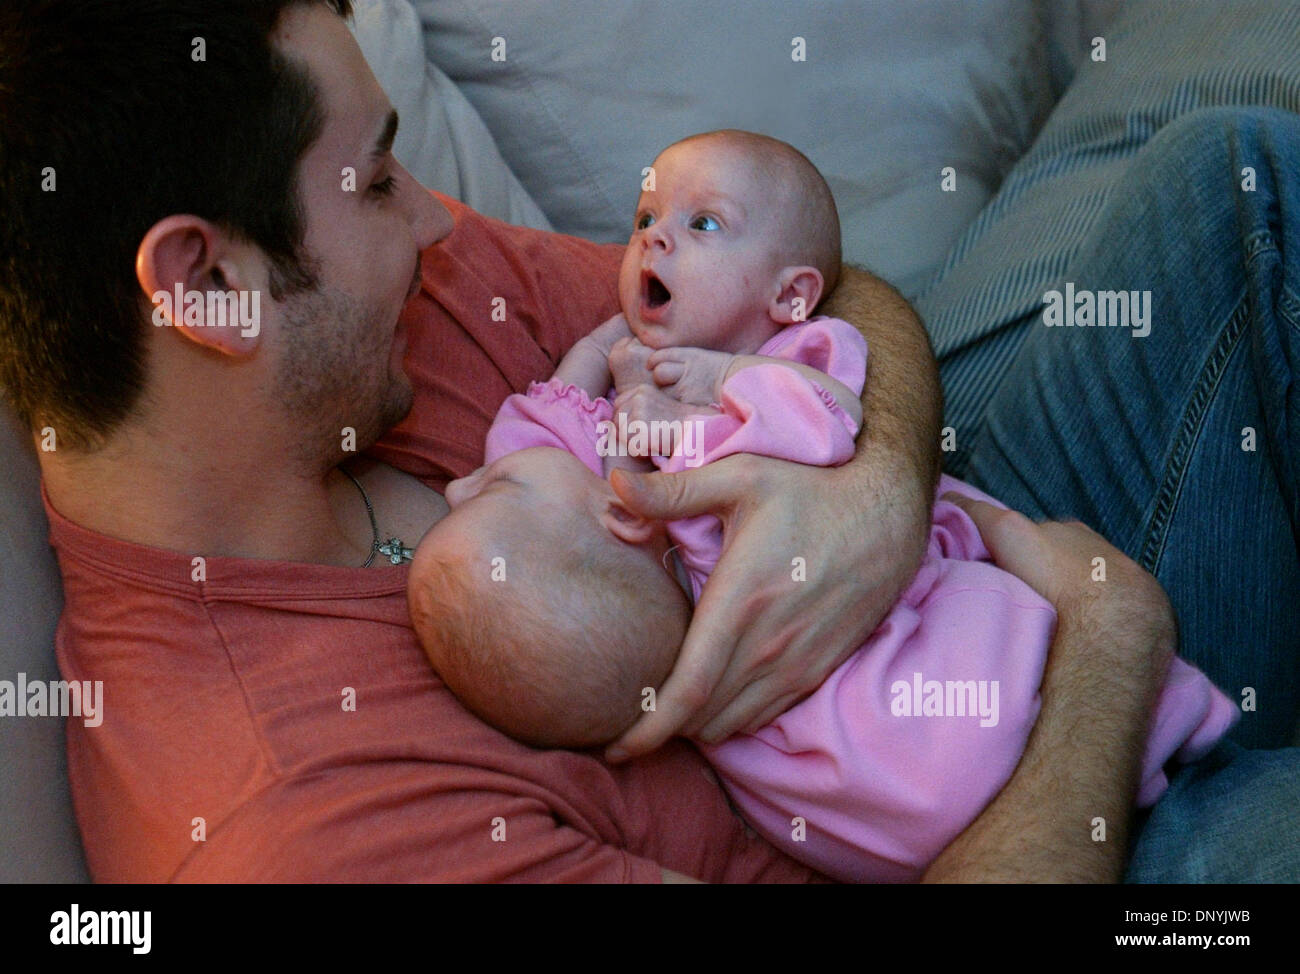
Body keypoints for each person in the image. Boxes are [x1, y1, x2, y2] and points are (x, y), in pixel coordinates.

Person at [0, 0, 1290, 882]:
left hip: (957, 557)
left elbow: (825, 293)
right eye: (382, 182)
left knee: (1234, 185)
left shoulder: (371, 318)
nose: (439, 226)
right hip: (1002, 820)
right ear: (201, 286)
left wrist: (880, 488)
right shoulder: (314, 821)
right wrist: (1112, 648)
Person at [407, 130, 1238, 882]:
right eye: (652, 220)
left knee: (1221, 169)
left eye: (681, 222)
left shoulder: (610, 538)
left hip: (982, 758)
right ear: (621, 520)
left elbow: (547, 430)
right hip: (1054, 739)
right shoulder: (680, 517)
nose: (651, 236)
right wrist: (706, 386)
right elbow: (821, 421)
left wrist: (619, 361)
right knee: (1235, 182)